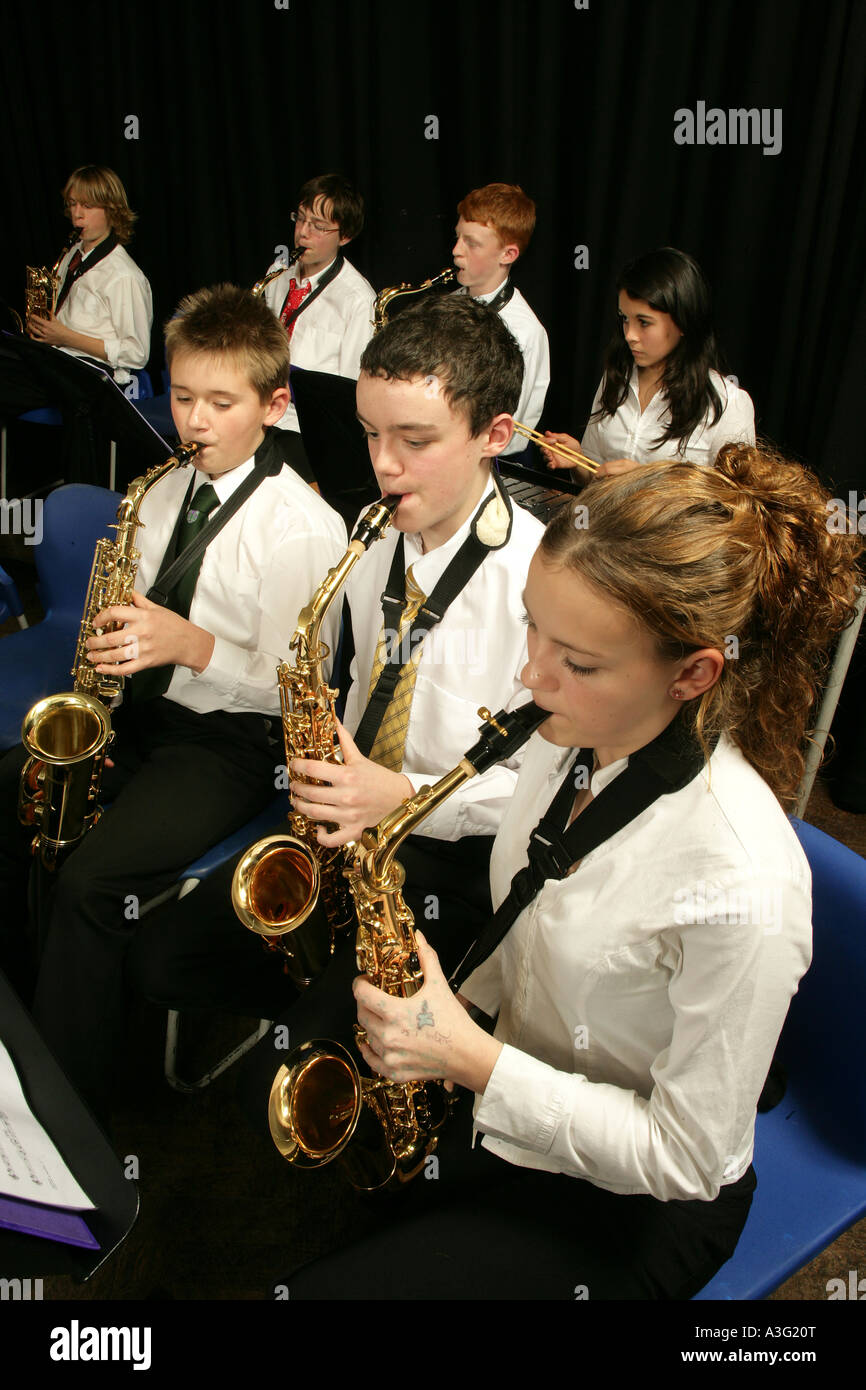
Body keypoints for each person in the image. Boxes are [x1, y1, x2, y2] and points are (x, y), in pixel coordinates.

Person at [275, 444, 862, 1300]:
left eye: (577, 662)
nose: (528, 675)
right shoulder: (566, 741)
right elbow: (535, 918)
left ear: (695, 672)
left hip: (638, 1202)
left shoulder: (745, 884)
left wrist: (471, 1061)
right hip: (527, 1079)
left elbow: (687, 1160)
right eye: (530, 626)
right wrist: (456, 1005)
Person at [128, 294, 545, 1023]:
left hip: (455, 854)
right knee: (161, 960)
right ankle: (319, 997)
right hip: (345, 825)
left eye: (414, 441)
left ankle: (375, 1037)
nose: (382, 467)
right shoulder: (373, 534)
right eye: (368, 434)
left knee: (305, 1054)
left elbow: (542, 796)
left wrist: (403, 795)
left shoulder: (542, 584)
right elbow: (353, 683)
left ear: (495, 434)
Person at [0, 284, 347, 1114]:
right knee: (16, 793)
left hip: (239, 742)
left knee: (90, 881)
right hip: (143, 712)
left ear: (274, 404)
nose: (193, 422)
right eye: (184, 396)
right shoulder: (160, 491)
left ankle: (64, 1107)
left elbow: (300, 690)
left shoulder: (302, 528)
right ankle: (28, 1026)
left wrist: (192, 646)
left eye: (220, 404)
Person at [542, 247, 754, 477]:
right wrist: (579, 462)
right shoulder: (616, 378)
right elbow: (596, 484)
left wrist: (644, 481)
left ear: (682, 322)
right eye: (625, 319)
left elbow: (737, 506)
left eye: (644, 322)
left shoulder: (729, 403)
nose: (629, 335)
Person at [0, 165, 153, 482]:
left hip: (94, 373)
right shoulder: (72, 254)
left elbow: (136, 354)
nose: (76, 215)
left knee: (80, 403)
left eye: (87, 206)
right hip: (58, 361)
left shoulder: (125, 275)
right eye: (72, 205)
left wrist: (63, 335)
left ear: (112, 210)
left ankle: (80, 490)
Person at [260, 174, 376, 439]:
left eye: (318, 226)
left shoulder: (357, 299)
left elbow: (350, 390)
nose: (303, 233)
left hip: (305, 428)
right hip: (262, 410)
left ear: (344, 236)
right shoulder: (278, 274)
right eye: (301, 219)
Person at [452, 182, 550, 452]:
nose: (456, 251)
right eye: (458, 237)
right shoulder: (447, 305)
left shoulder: (525, 332)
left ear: (508, 254)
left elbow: (514, 435)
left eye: (471, 243)